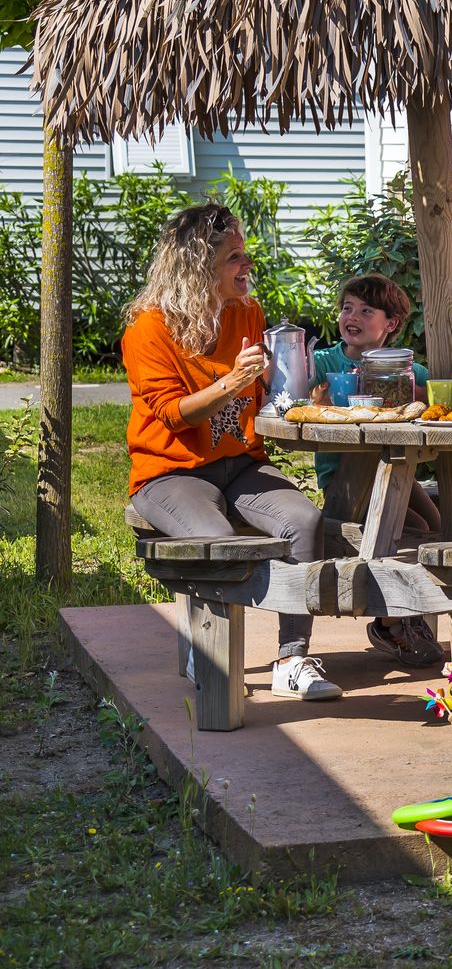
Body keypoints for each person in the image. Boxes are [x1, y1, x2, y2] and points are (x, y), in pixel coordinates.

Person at [122, 202, 337, 700]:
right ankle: (210, 652)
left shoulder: (246, 312)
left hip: (240, 464)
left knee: (305, 522)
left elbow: (263, 397)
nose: (248, 266)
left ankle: (292, 657)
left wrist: (296, 396)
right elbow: (175, 414)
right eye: (235, 257)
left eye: (246, 254)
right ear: (200, 265)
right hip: (169, 473)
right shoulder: (149, 327)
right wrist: (235, 379)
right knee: (215, 539)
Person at [309, 273, 440, 666]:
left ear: (391, 324)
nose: (353, 316)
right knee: (407, 530)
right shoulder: (324, 362)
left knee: (433, 523)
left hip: (395, 469)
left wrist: (410, 391)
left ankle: (408, 613)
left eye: (367, 311)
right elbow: (301, 394)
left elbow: (433, 397)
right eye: (347, 308)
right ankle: (392, 620)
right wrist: (319, 395)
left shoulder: (406, 369)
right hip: (345, 478)